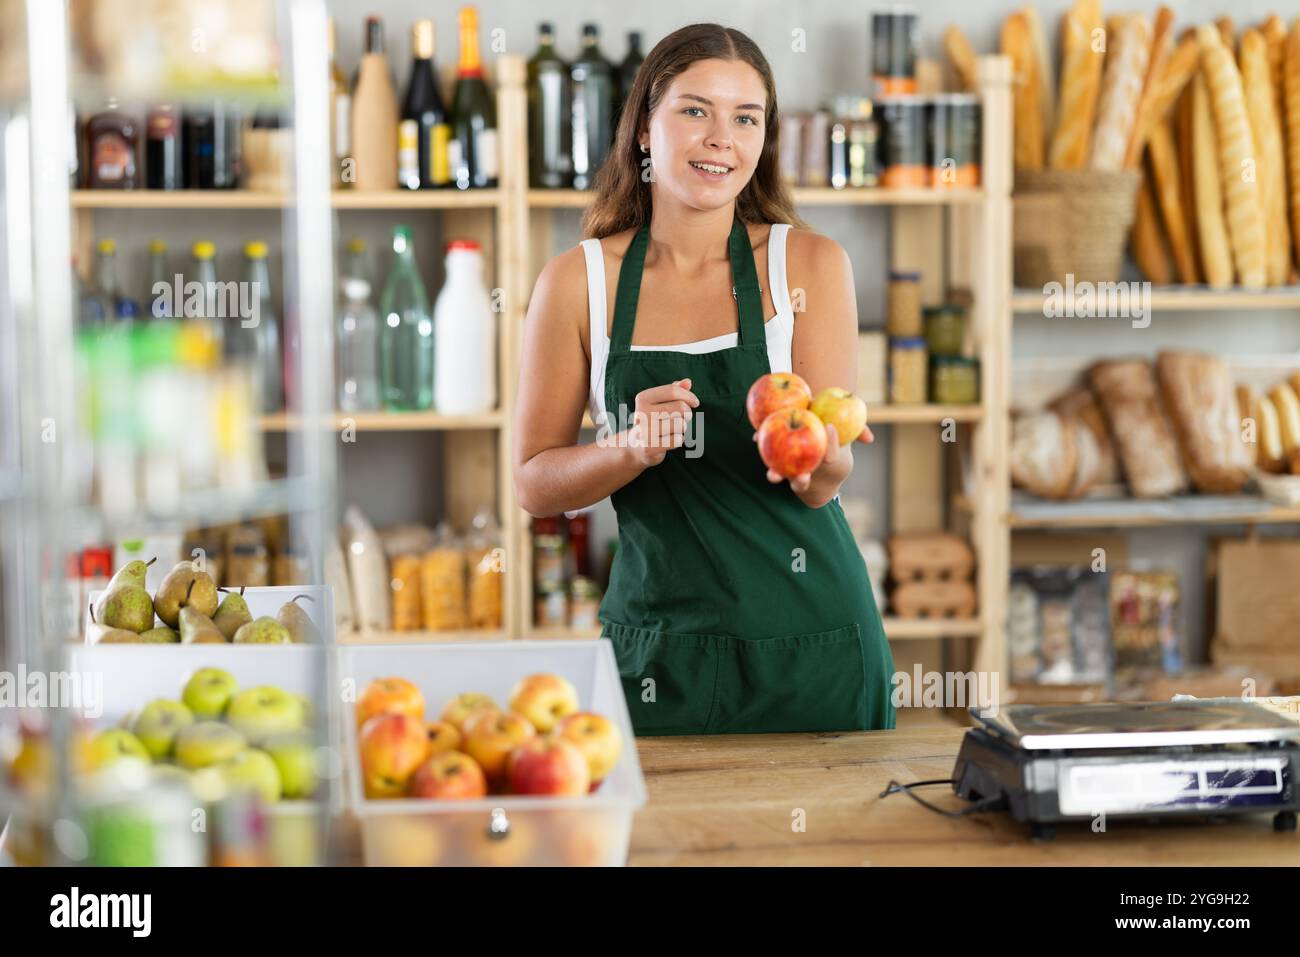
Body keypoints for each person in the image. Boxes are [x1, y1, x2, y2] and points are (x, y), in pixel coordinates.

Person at [514, 23, 895, 736]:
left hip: (814, 643)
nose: (722, 137)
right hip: (659, 651)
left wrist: (823, 452)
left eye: (746, 118)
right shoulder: (578, 282)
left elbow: (822, 482)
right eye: (695, 110)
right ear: (644, 131)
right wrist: (626, 449)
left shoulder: (808, 266)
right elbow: (533, 483)